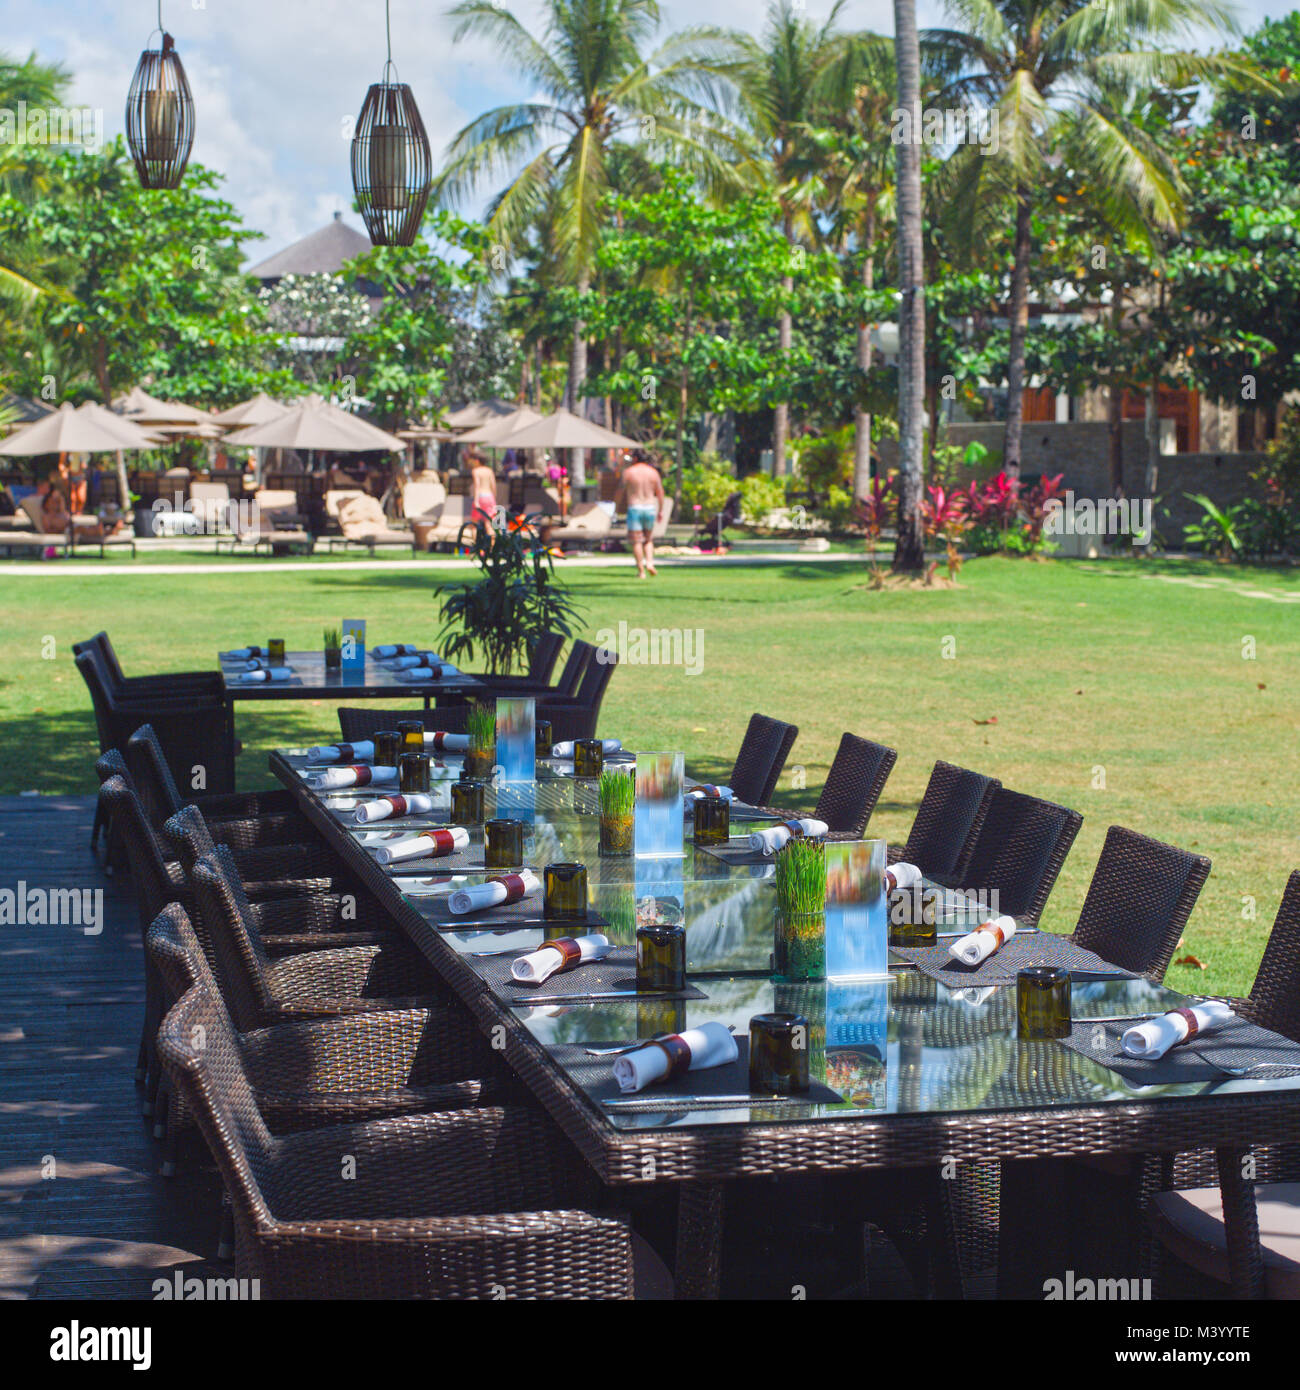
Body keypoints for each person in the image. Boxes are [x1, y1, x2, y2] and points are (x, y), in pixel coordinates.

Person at [617, 451, 665, 578]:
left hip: (635, 507)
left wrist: (616, 506)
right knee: (648, 539)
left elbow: (620, 490)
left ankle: (641, 571)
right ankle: (650, 563)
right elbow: (660, 492)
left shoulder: (629, 472)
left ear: (635, 458)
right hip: (650, 507)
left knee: (636, 541)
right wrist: (661, 510)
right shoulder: (653, 472)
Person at [467, 450, 498, 527]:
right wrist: (494, 499)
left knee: (474, 525)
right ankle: (492, 539)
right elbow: (493, 486)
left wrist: (476, 501)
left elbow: (477, 486)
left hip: (480, 497)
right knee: (489, 524)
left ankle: (475, 539)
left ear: (477, 461)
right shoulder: (489, 471)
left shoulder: (476, 471)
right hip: (490, 497)